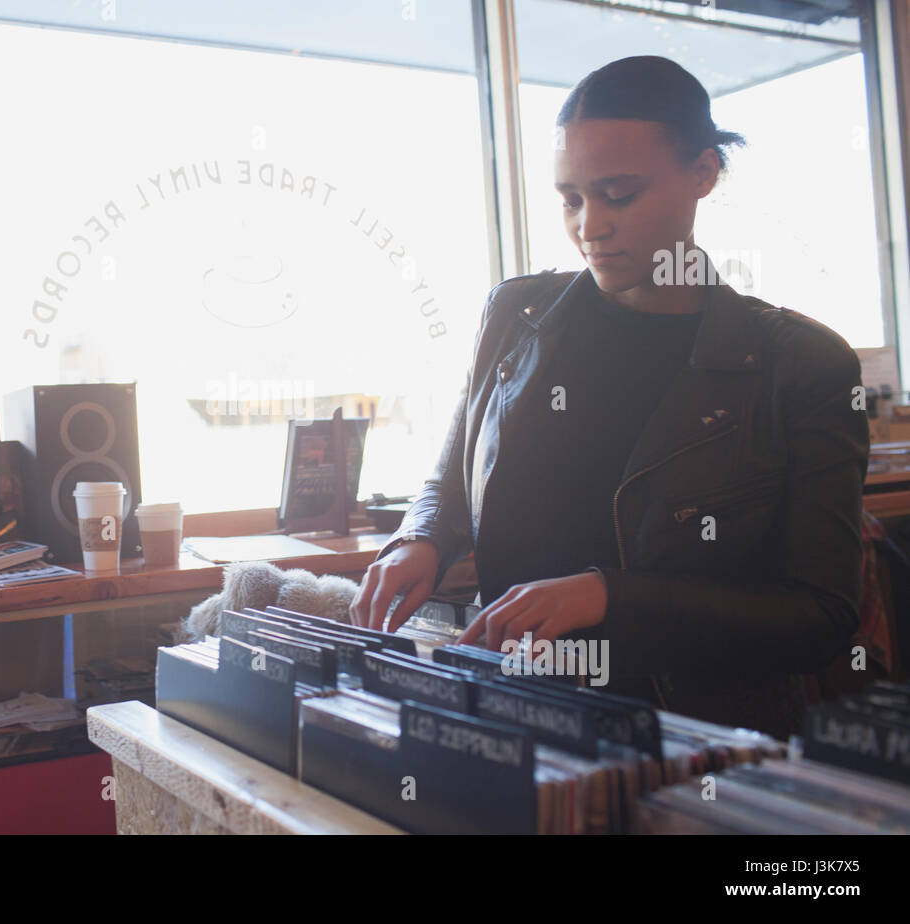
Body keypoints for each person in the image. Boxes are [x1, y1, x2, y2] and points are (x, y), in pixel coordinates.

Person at [350, 55, 870, 739]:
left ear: (704, 174)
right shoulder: (514, 315)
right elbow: (449, 483)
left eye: (619, 194)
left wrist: (607, 597)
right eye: (571, 198)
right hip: (513, 714)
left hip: (695, 736)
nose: (589, 226)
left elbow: (820, 616)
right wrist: (418, 542)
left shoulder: (799, 362)